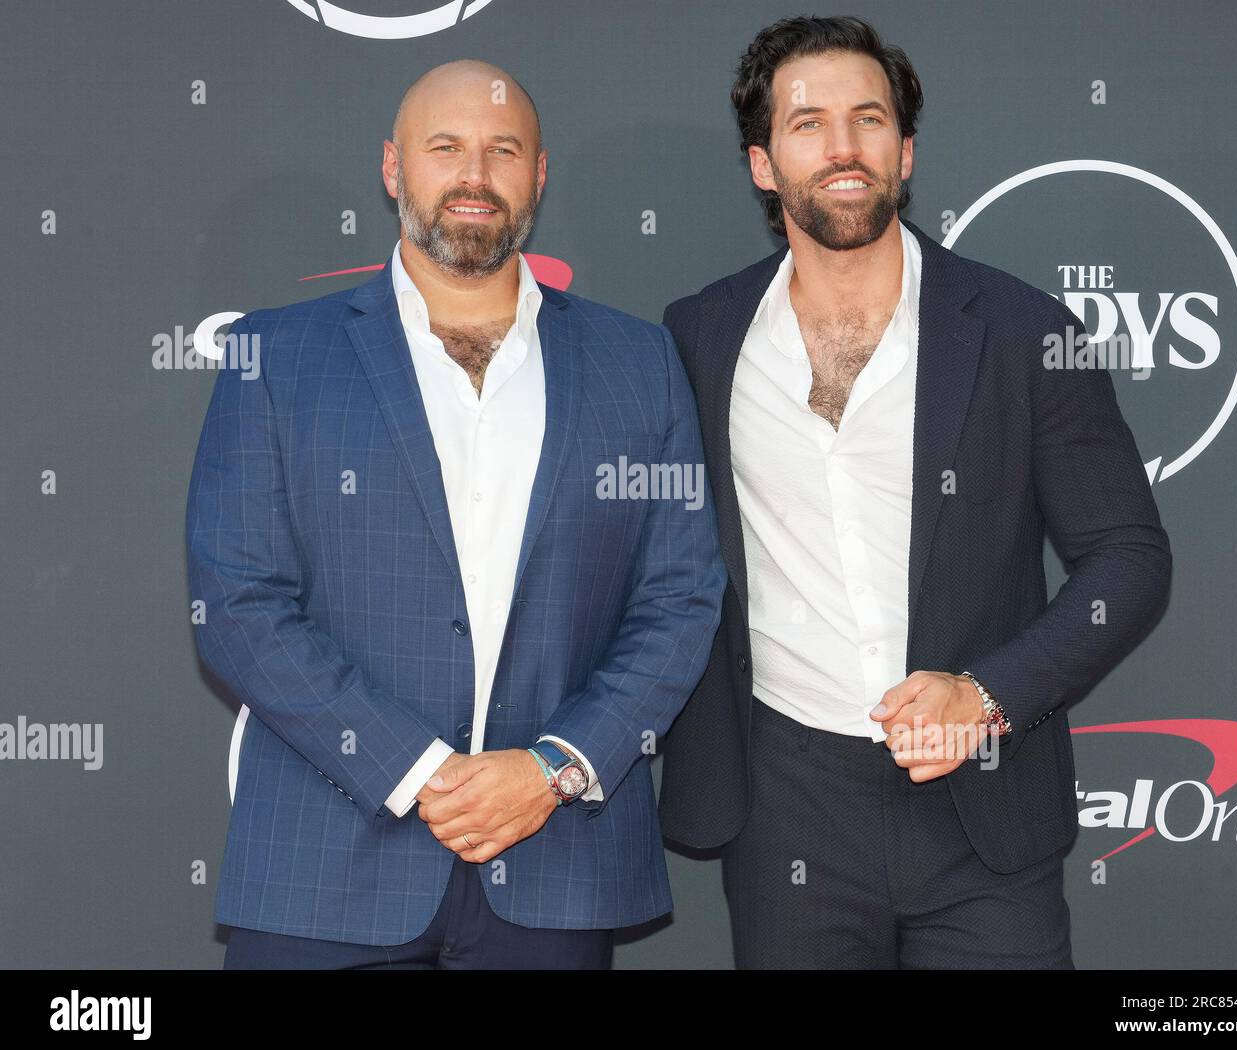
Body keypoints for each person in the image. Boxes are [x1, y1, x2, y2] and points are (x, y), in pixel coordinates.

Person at [657, 16, 1172, 969]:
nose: (844, 147)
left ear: (906, 150)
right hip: (786, 809)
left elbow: (1129, 558)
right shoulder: (698, 336)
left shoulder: (1023, 333)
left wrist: (984, 695)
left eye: (869, 119)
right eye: (808, 123)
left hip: (983, 802)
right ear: (764, 164)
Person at [186, 59, 724, 969]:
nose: (475, 174)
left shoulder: (640, 363)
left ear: (538, 175)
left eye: (502, 150)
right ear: (394, 169)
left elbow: (679, 601)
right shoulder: (275, 358)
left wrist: (552, 769)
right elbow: (237, 605)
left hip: (554, 867)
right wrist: (418, 770)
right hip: (324, 868)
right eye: (446, 148)